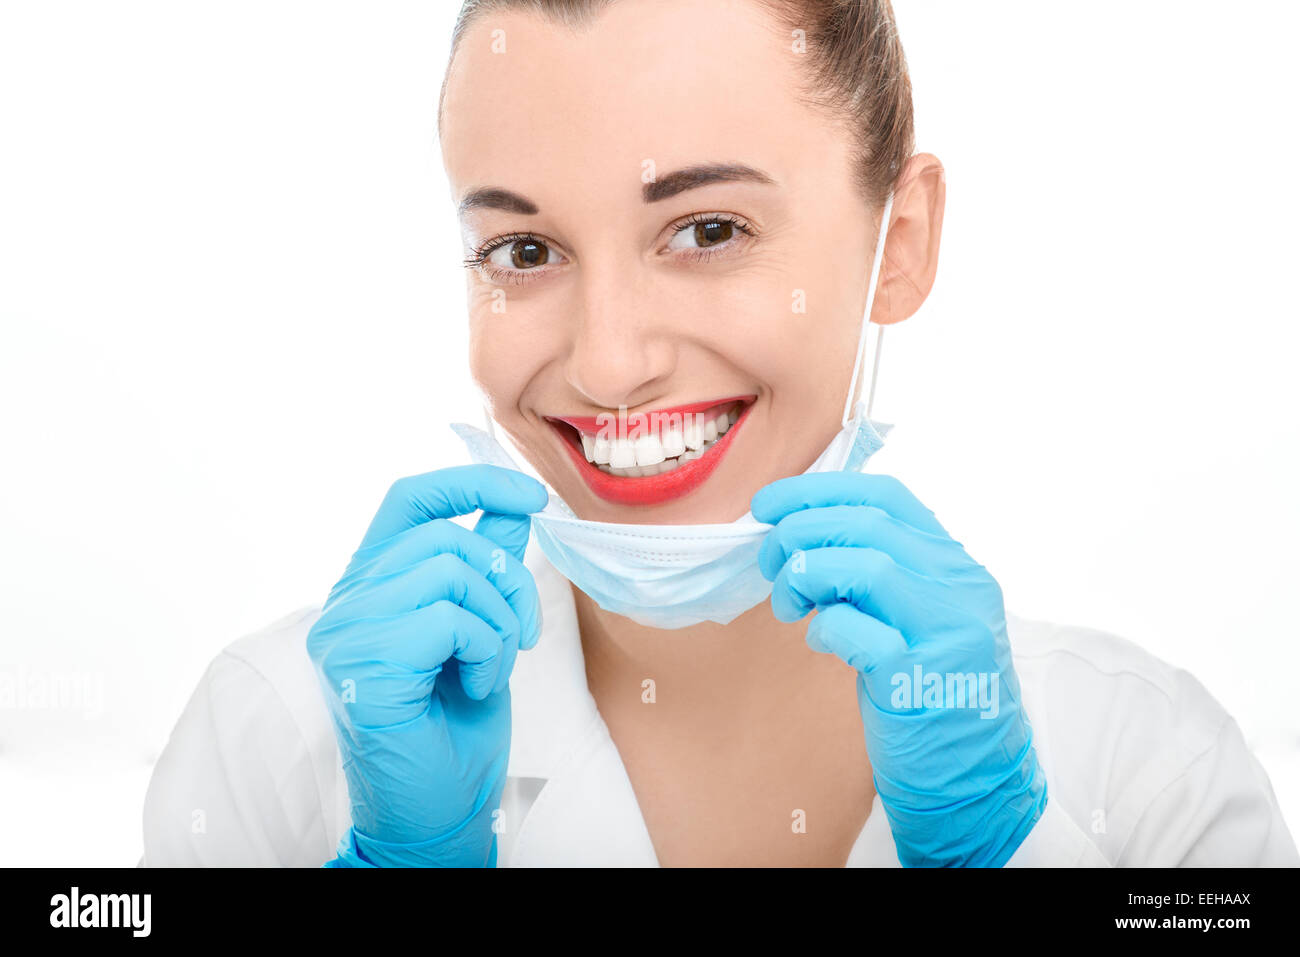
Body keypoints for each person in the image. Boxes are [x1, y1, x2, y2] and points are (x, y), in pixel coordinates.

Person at [140, 0, 1298, 867]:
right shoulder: (281, 743)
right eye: (524, 251)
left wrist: (1004, 851)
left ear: (899, 243)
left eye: (706, 229)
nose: (607, 362)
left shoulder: (1152, 776)